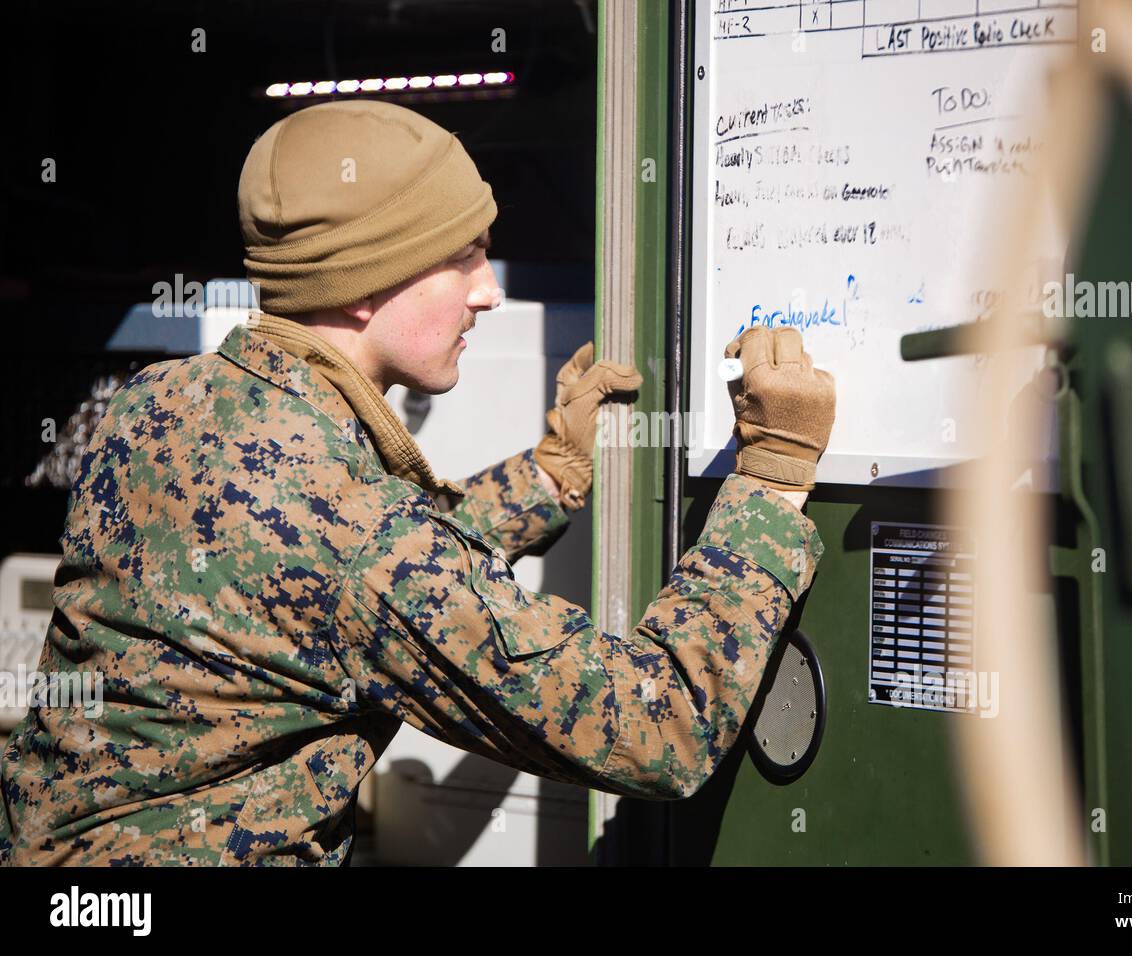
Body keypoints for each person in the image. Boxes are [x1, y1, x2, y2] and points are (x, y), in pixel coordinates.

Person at [0, 100, 836, 866]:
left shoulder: (160, 403)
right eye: (463, 255)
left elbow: (302, 561)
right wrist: (769, 478)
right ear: (363, 283)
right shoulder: (358, 540)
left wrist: (549, 474)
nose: (490, 291)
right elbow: (660, 726)